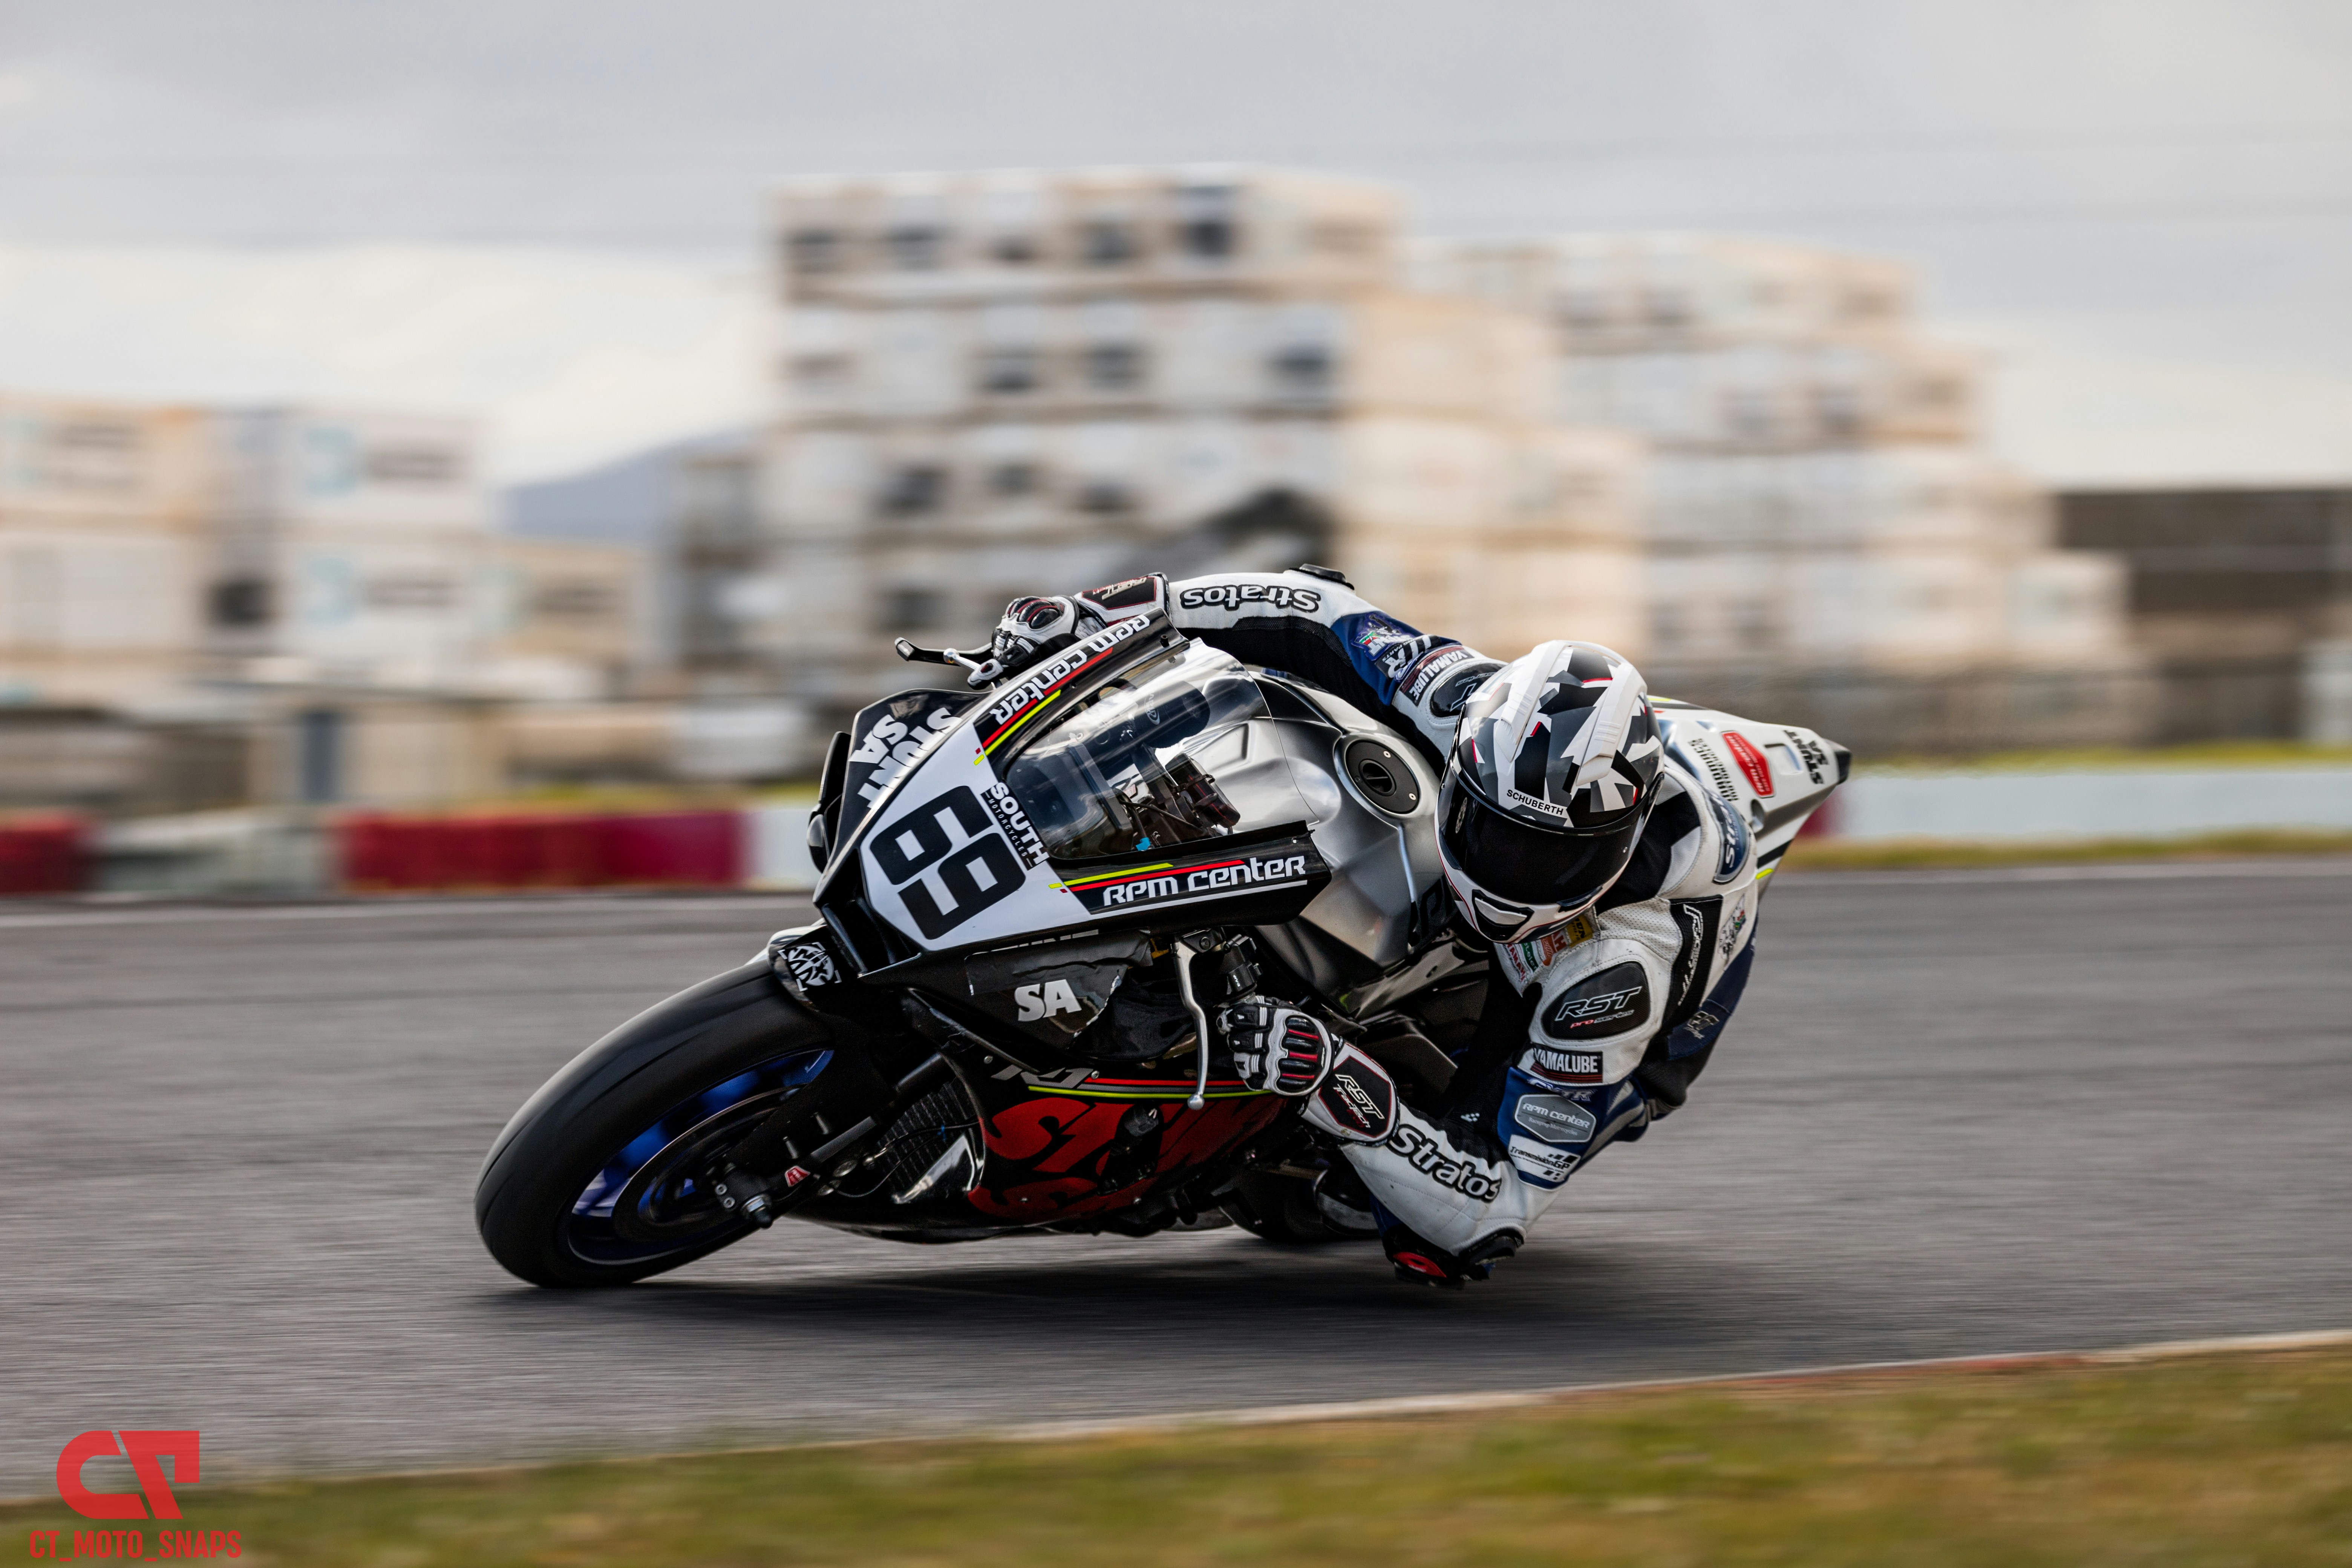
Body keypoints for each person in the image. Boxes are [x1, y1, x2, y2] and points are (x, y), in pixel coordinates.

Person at [977, 567, 1763, 1288]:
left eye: (1540, 857)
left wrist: (1331, 1079)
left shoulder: (1617, 971)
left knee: (1429, 1239)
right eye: (1491, 832)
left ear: (1611, 847)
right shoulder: (1463, 702)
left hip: (1628, 990)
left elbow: (1496, 1206)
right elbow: (1310, 606)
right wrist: (1104, 612)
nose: (1505, 872)